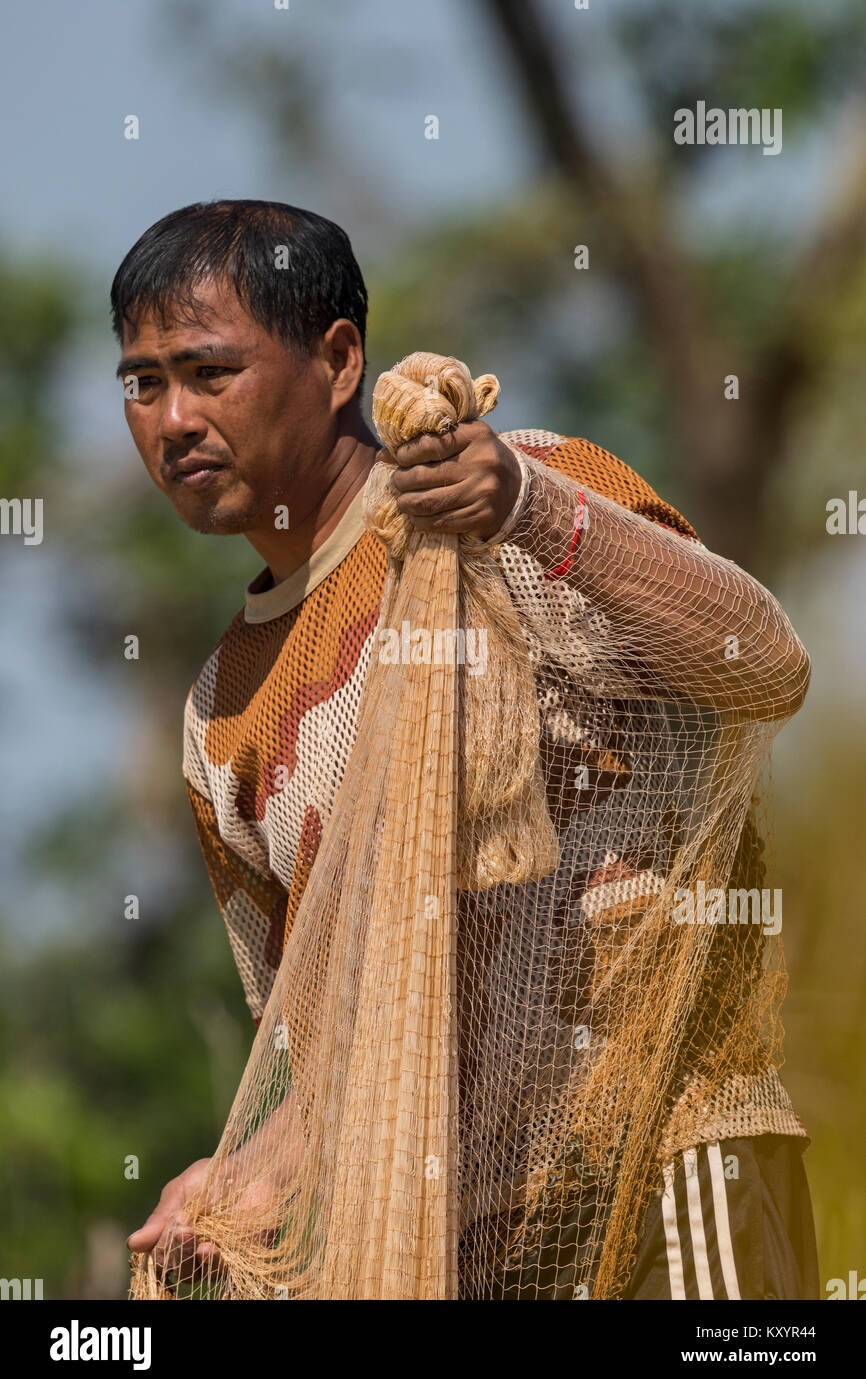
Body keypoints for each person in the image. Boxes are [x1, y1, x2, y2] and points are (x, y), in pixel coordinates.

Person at [115, 198, 818, 1299]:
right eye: (141, 383)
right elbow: (324, 1048)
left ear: (338, 359)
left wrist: (535, 512)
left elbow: (767, 664)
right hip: (458, 1247)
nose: (172, 418)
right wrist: (234, 1179)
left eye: (209, 371)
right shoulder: (220, 716)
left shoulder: (522, 492)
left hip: (672, 1168)